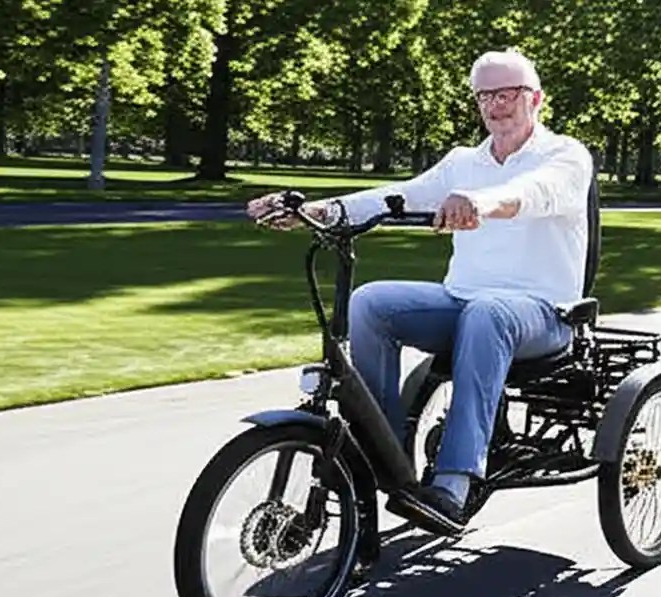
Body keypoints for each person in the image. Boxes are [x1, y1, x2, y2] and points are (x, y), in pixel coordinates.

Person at [245, 48, 594, 534]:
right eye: (484, 96)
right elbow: (398, 197)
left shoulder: (566, 155)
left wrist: (479, 202)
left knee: (488, 313)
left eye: (507, 94)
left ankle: (454, 483)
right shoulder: (463, 162)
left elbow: (534, 193)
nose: (495, 106)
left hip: (544, 313)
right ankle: (381, 456)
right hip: (463, 301)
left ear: (535, 99)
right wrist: (317, 212)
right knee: (371, 303)